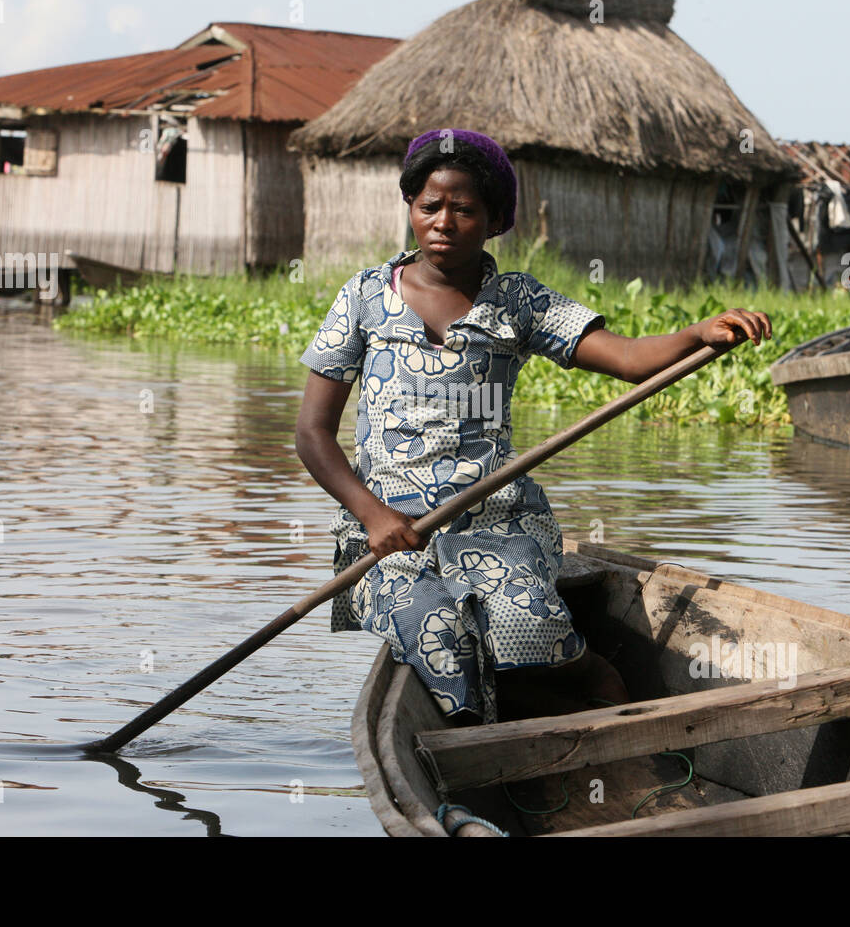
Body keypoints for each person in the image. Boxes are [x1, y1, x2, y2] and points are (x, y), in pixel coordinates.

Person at [295, 129, 771, 726]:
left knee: (529, 628)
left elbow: (627, 357)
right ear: (411, 210)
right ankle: (480, 742)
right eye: (429, 207)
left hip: (497, 521)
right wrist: (372, 515)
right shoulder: (363, 297)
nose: (443, 221)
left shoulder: (518, 302)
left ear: (495, 220)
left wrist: (697, 334)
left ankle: (588, 673)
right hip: (394, 535)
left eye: (464, 210)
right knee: (440, 635)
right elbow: (313, 434)